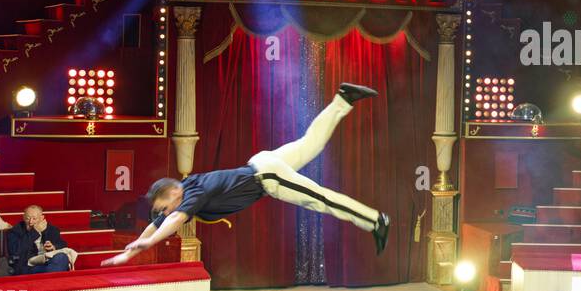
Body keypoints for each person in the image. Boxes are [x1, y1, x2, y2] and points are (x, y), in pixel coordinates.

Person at [103, 83, 389, 265]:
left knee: (320, 199)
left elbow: (174, 219)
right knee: (310, 143)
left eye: (165, 206)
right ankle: (343, 99)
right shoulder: (185, 190)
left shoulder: (192, 194)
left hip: (267, 176)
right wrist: (128, 253)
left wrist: (150, 242)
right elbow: (158, 223)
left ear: (173, 193)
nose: (165, 212)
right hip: (263, 163)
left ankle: (375, 221)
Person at [5, 205, 74, 275]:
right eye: (27, 218)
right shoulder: (15, 231)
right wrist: (35, 232)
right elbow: (15, 250)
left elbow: (62, 244)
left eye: (34, 219)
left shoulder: (51, 229)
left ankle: (50, 275)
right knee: (54, 269)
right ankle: (51, 276)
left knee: (62, 257)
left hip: (47, 262)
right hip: (29, 266)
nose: (30, 222)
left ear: (42, 218)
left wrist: (53, 247)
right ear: (23, 217)